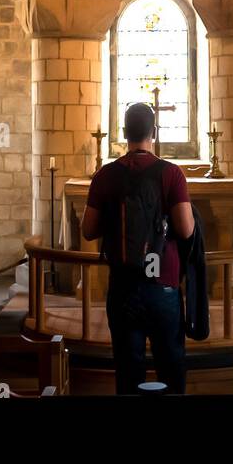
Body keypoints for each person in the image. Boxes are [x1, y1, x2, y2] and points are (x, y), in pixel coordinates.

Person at [82, 102, 194, 394]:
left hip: (123, 285)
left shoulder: (105, 176)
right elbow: (185, 229)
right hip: (162, 284)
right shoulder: (171, 174)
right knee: (170, 367)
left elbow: (88, 230)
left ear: (123, 133)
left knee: (128, 371)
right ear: (153, 132)